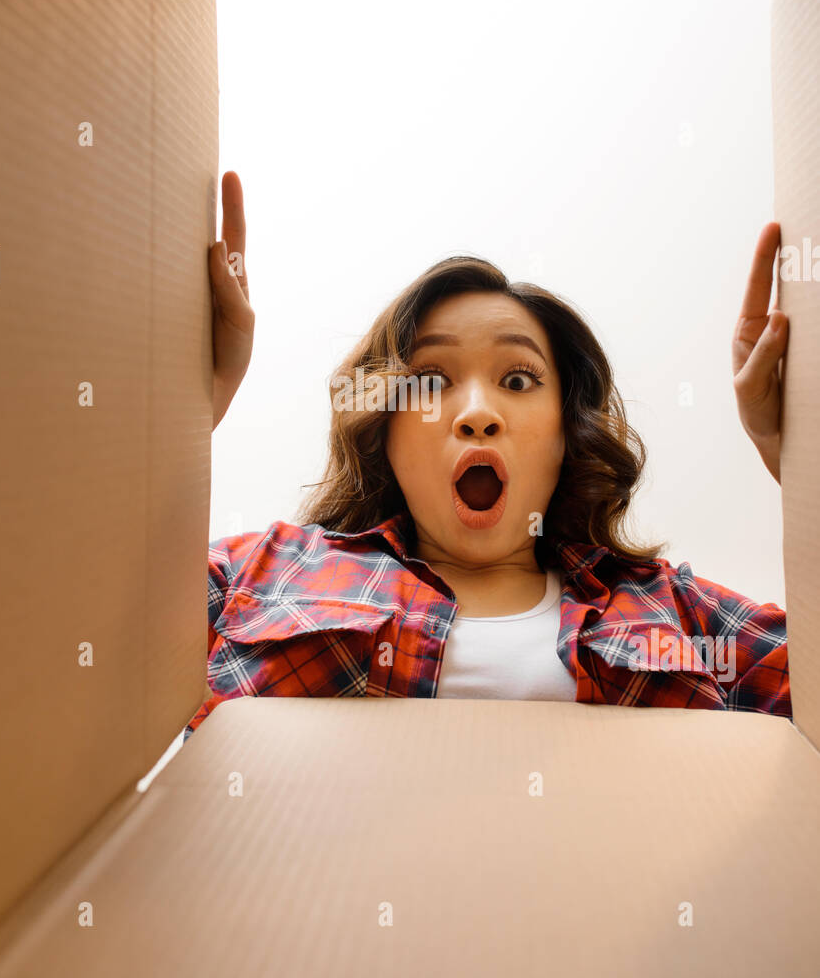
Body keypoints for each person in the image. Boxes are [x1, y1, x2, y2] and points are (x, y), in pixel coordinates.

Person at [184, 171, 790, 742]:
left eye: (520, 380)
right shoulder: (257, 575)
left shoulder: (681, 614)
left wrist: (794, 458)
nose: (477, 412)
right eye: (432, 379)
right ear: (387, 427)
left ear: (564, 433)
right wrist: (184, 410)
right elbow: (96, 639)